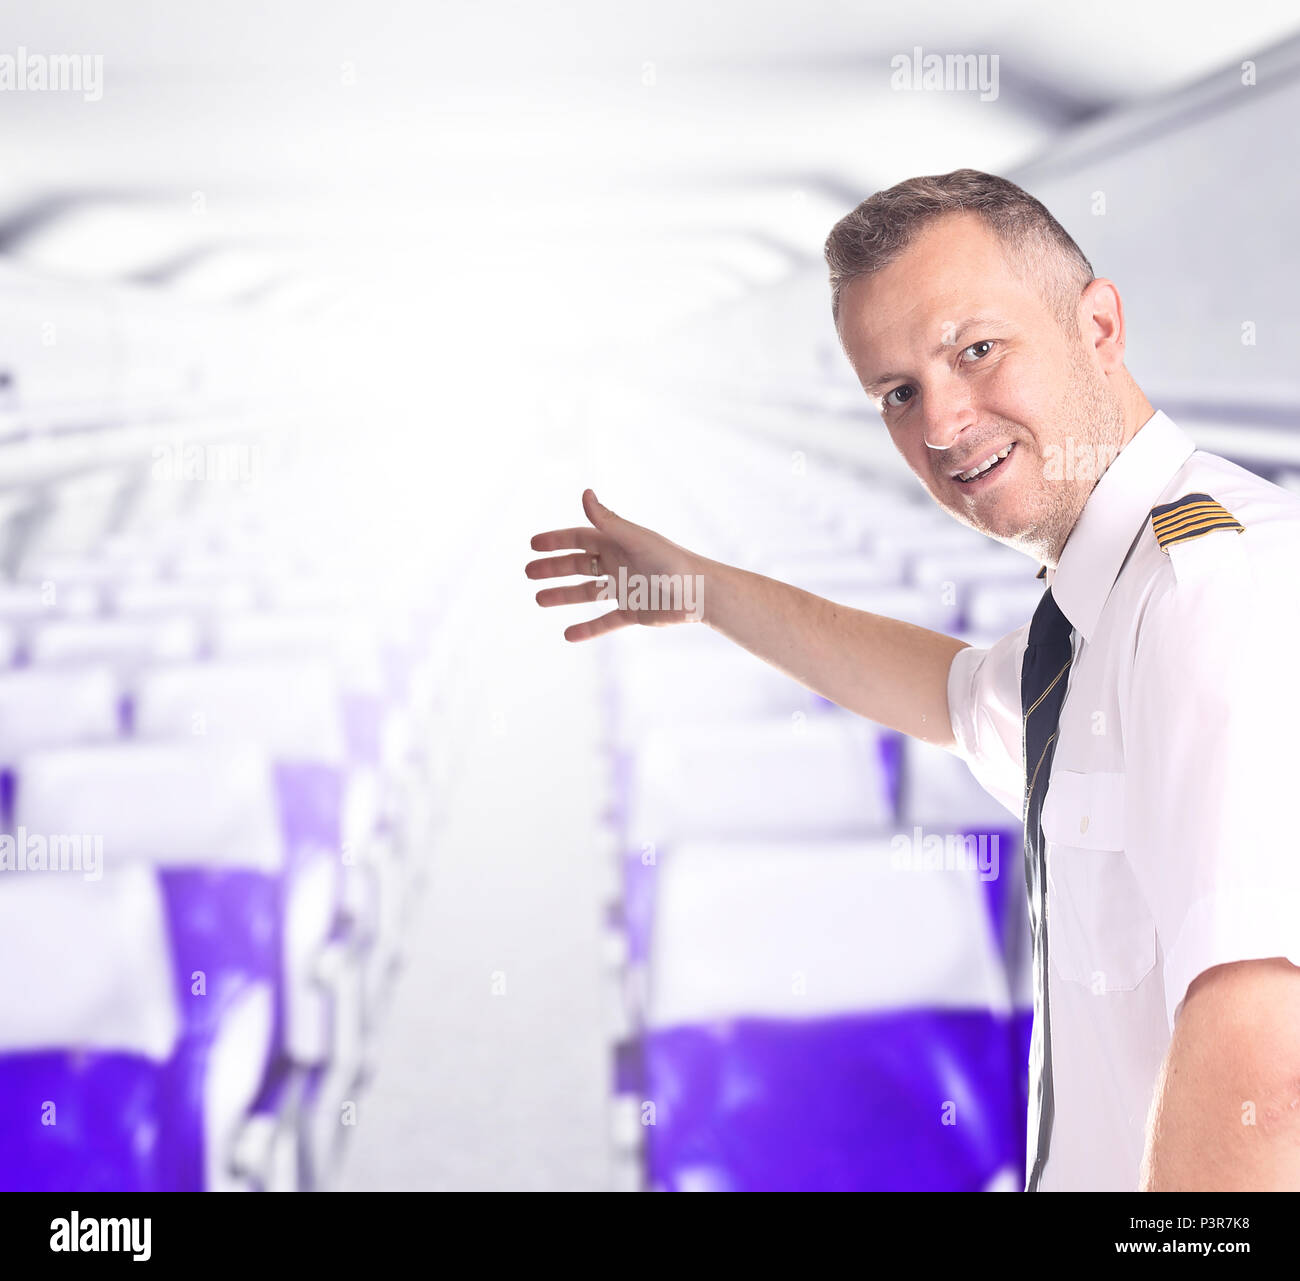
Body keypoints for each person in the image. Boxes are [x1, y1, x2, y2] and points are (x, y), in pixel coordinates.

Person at [524, 169, 1300, 1192]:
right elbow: (943, 694)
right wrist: (703, 591)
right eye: (897, 393)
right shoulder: (1098, 605)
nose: (938, 425)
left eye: (974, 350)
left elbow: (1264, 1060)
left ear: (1099, 325)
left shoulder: (1210, 587)